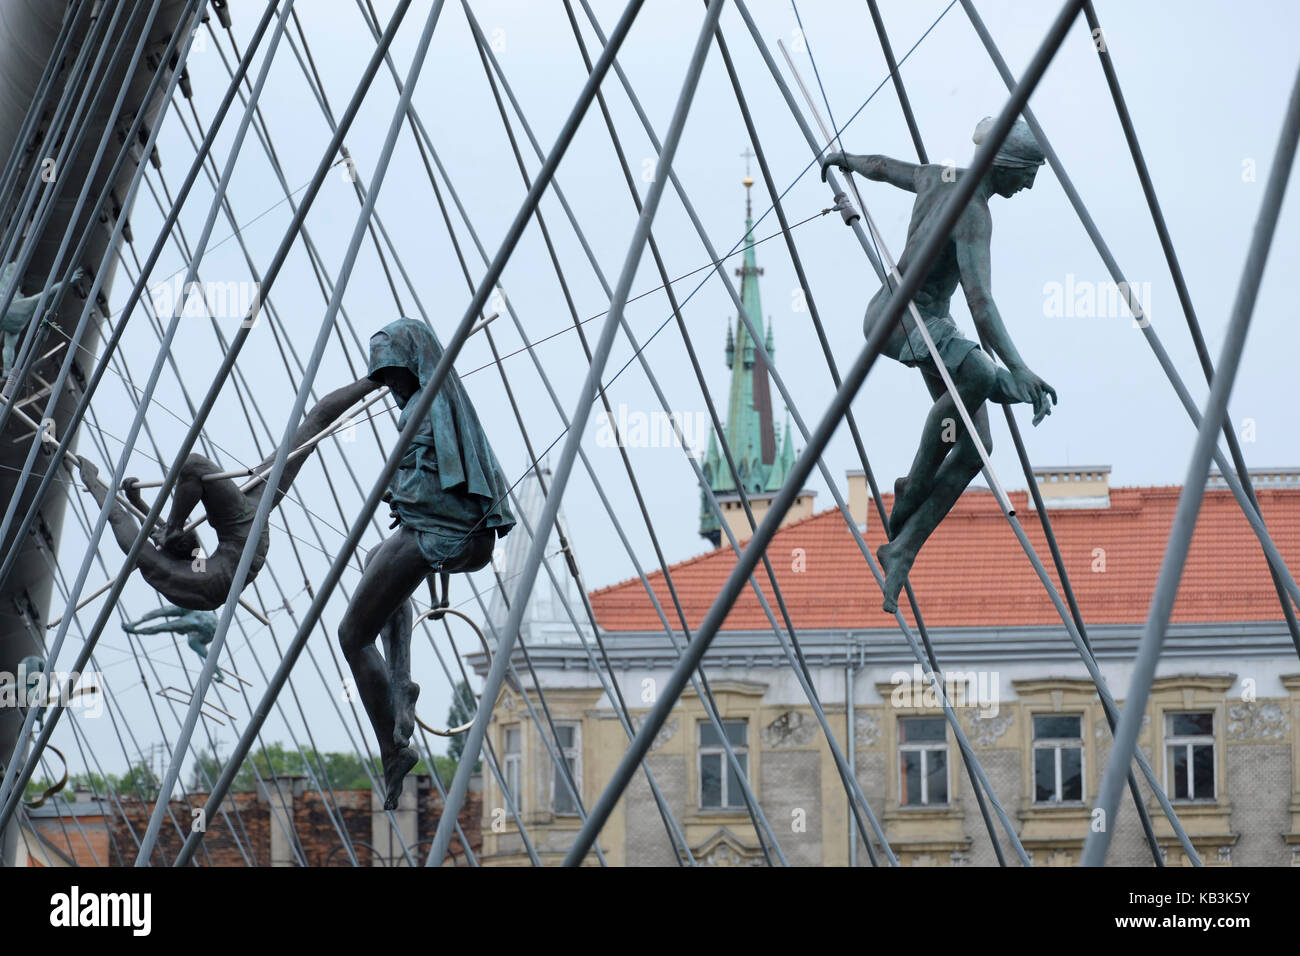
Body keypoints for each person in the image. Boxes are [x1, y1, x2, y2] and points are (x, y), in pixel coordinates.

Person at [820, 117, 1058, 614]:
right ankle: (911, 491)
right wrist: (1020, 367)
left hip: (911, 319)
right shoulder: (974, 212)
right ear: (1007, 165)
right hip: (908, 319)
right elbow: (981, 304)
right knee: (978, 375)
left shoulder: (939, 176)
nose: (1031, 183)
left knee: (978, 446)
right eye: (1029, 172)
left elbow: (884, 168)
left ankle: (902, 548)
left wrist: (846, 161)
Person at [338, 317, 514, 809]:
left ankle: (393, 746)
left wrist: (404, 498)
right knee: (376, 558)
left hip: (447, 535)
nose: (388, 385)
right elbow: (435, 477)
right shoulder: (433, 401)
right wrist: (405, 497)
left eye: (392, 374)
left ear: (413, 366)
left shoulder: (428, 404)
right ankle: (402, 683)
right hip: (438, 531)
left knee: (351, 636)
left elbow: (441, 486)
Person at [77, 376, 380, 610]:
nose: (153, 539)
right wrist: (93, 482)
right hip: (241, 536)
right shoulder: (162, 568)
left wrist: (139, 503)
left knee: (313, 426)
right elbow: (119, 522)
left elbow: (181, 545)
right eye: (159, 539)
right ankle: (377, 379)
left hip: (246, 539)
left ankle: (377, 379)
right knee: (193, 466)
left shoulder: (184, 570)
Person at [0, 261, 86, 375]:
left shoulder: (20, 304)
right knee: (9, 347)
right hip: (16, 321)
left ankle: (6, 372)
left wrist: (68, 279)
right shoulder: (21, 308)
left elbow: (47, 293)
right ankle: (6, 372)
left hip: (13, 310)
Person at [122, 606, 224, 682]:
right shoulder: (192, 610)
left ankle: (219, 673)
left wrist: (136, 631)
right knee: (168, 614)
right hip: (212, 622)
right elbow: (160, 613)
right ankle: (219, 673)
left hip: (210, 631)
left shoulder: (187, 624)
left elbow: (158, 628)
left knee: (192, 642)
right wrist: (136, 624)